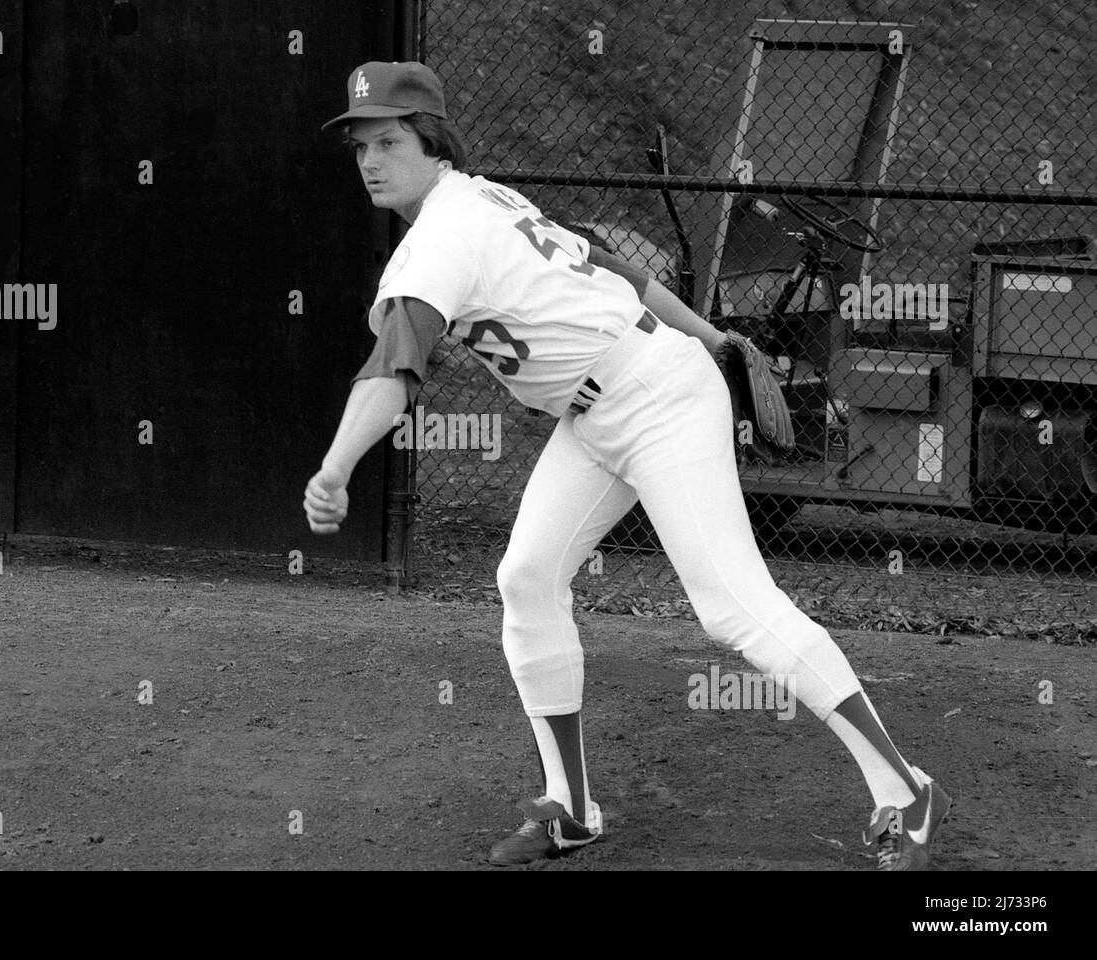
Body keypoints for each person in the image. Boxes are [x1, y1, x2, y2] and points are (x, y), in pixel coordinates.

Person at [303, 61, 951, 870]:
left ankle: (905, 790)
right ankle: (571, 810)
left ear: (432, 144)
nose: (371, 158)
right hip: (603, 408)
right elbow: (620, 271)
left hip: (659, 400)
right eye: (361, 143)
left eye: (390, 139)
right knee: (528, 578)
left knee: (733, 610)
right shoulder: (484, 197)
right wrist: (712, 335)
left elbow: (390, 373)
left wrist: (334, 469)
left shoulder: (439, 236)